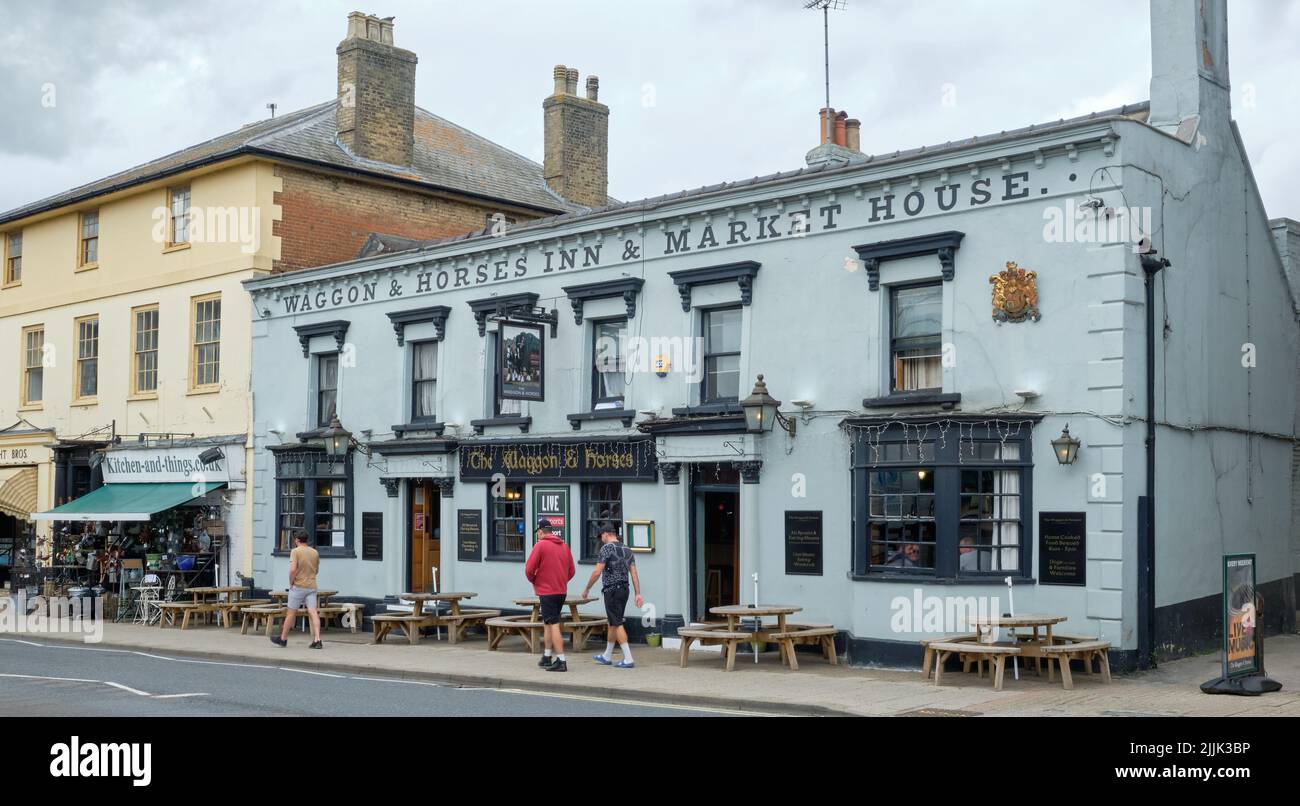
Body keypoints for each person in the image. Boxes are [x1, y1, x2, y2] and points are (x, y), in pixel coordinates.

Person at [581, 523, 643, 668]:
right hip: (624, 589)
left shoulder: (607, 548)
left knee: (616, 622)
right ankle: (607, 655)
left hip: (612, 590)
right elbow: (633, 573)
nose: (601, 539)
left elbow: (597, 572)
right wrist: (638, 593)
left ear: (606, 534)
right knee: (613, 622)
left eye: (601, 536)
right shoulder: (627, 549)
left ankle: (628, 658)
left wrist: (587, 588)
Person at [524, 517, 575, 671]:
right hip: (561, 591)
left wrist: (535, 580)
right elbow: (572, 570)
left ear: (540, 531)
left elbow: (528, 569)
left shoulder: (540, 545)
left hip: (547, 592)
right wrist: (561, 581)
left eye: (537, 532)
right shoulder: (564, 546)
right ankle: (547, 656)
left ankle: (561, 660)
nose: (537, 535)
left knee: (553, 625)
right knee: (547, 622)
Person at [272, 531, 322, 649]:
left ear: (297, 540)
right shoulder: (315, 552)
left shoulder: (295, 551)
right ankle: (318, 639)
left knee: (291, 613)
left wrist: (291, 582)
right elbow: (316, 570)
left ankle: (283, 638)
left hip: (298, 586)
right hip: (311, 586)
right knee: (313, 612)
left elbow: (293, 570)